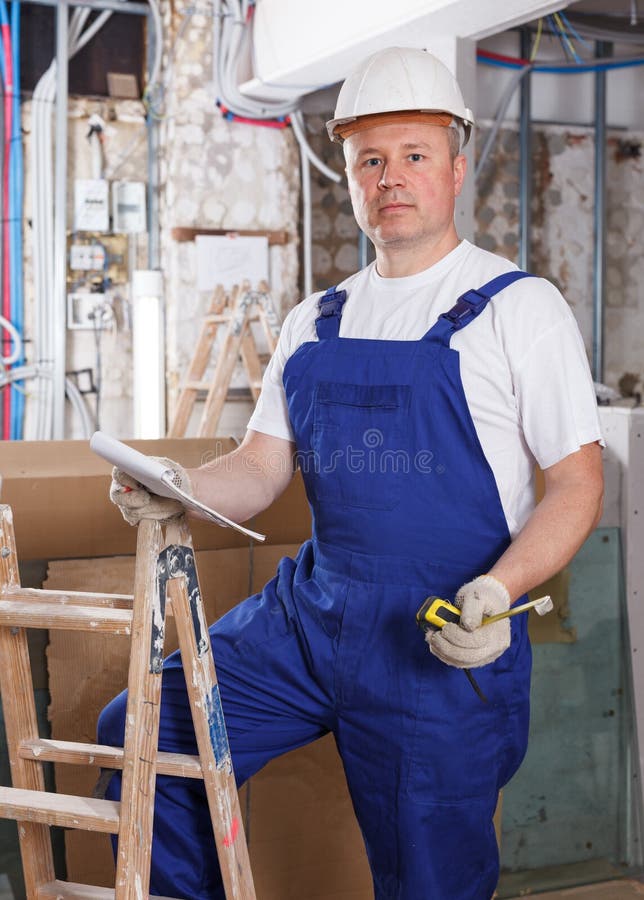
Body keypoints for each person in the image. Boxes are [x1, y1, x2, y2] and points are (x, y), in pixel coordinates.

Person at [99, 46, 604, 900]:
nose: (391, 177)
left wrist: (497, 591)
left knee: (428, 880)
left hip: (437, 636)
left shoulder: (520, 309)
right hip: (311, 621)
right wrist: (170, 484)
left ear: (455, 162)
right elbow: (260, 469)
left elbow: (578, 483)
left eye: (413, 155)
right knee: (148, 733)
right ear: (348, 170)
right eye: (371, 159)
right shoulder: (313, 320)